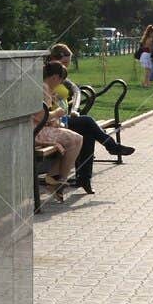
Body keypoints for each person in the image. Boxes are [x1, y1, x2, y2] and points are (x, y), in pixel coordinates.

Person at [46, 43, 135, 193]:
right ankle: (111, 147)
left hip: (66, 118)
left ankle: (84, 179)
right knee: (87, 122)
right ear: (55, 59)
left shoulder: (60, 75)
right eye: (64, 63)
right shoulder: (49, 74)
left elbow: (75, 90)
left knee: (88, 132)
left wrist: (74, 109)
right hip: (55, 122)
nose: (66, 67)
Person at [33, 61, 84, 201]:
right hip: (37, 131)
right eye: (61, 79)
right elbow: (39, 116)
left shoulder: (45, 87)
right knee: (76, 139)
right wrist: (57, 113)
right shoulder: (43, 87)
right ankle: (59, 179)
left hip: (39, 128)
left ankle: (54, 178)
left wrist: (54, 119)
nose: (61, 83)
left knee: (71, 140)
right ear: (55, 77)